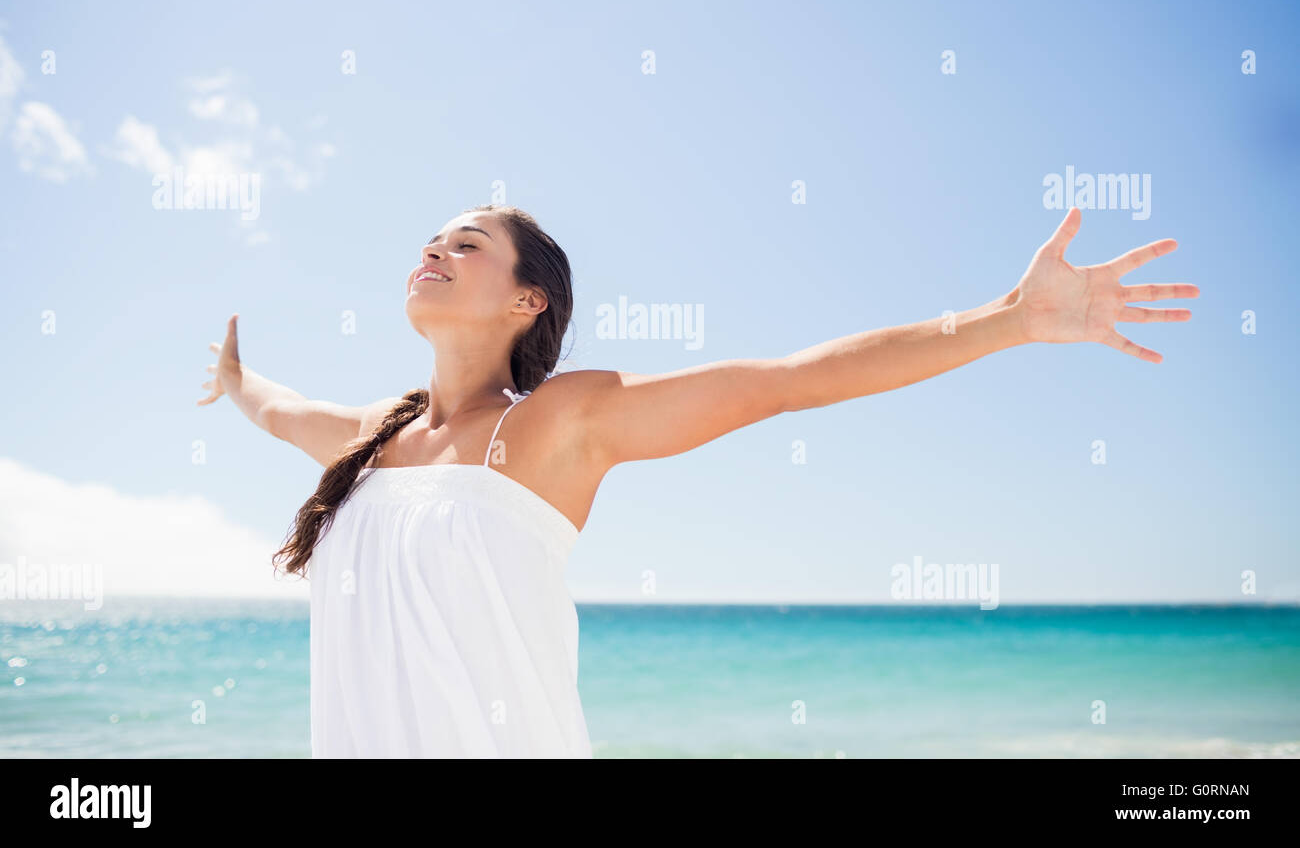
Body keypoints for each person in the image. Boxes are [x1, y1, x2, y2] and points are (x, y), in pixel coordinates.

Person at [197, 202, 1197, 757]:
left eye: (467, 242)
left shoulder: (558, 422)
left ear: (525, 298)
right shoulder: (372, 437)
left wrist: (1007, 318)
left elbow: (785, 383)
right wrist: (235, 379)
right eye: (430, 236)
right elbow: (279, 409)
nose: (434, 247)